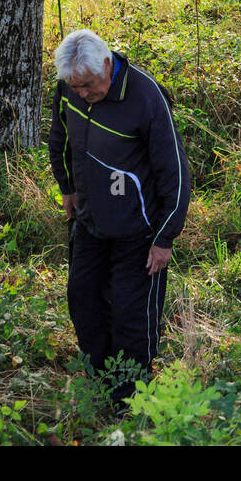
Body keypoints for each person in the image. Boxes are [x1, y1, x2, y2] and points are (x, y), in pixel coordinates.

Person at [48, 28, 190, 410]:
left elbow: (173, 170)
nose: (82, 93)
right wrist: (67, 187)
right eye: (75, 87)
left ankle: (130, 396)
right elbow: (59, 136)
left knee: (131, 314)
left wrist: (165, 237)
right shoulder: (69, 89)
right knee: (83, 299)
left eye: (89, 85)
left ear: (107, 65)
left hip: (138, 232)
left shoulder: (144, 96)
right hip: (89, 220)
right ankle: (98, 379)